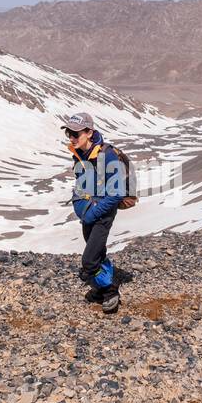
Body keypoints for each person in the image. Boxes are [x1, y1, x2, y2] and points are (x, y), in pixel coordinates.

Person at [64, 111, 126, 313]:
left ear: (89, 132)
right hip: (89, 212)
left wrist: (93, 213)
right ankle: (100, 288)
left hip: (103, 213)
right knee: (98, 252)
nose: (71, 138)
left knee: (89, 261)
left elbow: (116, 194)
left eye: (76, 134)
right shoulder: (80, 154)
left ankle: (110, 291)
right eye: (68, 134)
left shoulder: (107, 156)